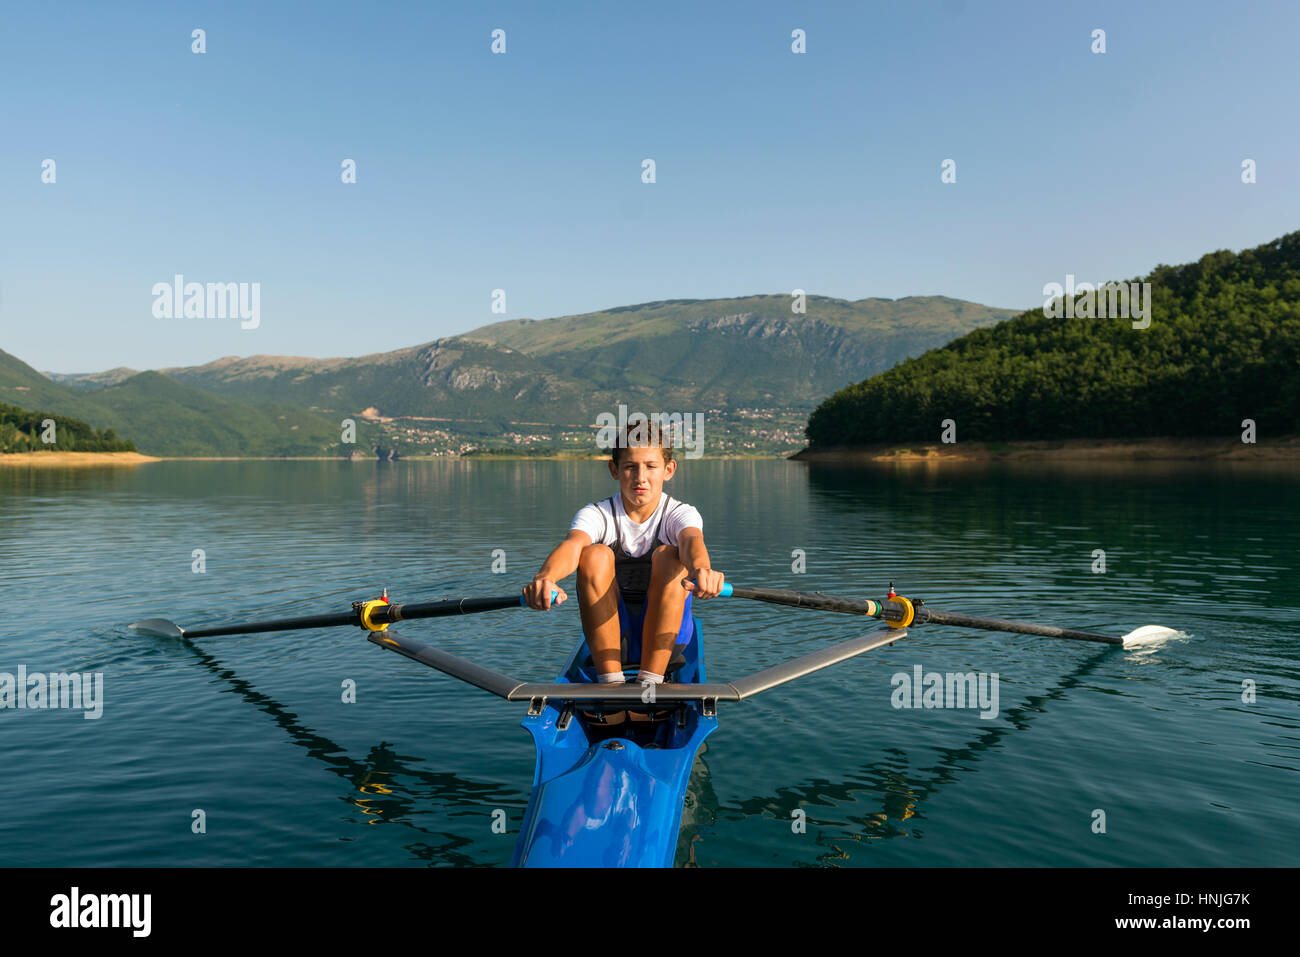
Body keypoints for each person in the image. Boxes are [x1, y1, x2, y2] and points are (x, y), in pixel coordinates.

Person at [522, 420, 725, 690]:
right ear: (614, 470)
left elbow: (691, 541)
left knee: (670, 556)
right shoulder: (597, 515)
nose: (640, 477)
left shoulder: (680, 514)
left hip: (670, 637)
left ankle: (650, 682)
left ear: (669, 470)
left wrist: (702, 569)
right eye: (630, 467)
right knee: (593, 554)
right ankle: (610, 687)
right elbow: (572, 545)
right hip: (615, 636)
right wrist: (545, 578)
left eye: (651, 467)